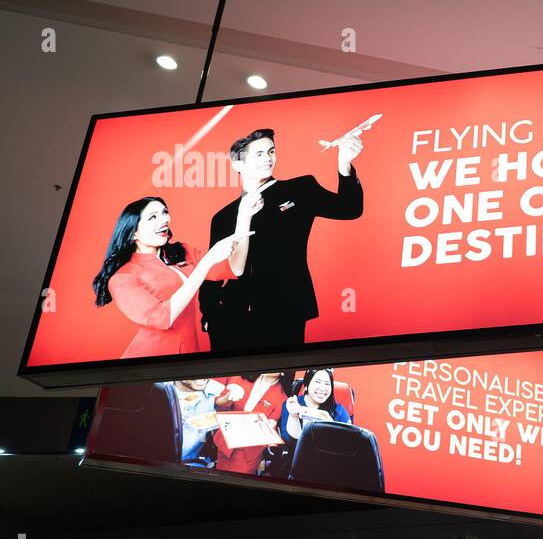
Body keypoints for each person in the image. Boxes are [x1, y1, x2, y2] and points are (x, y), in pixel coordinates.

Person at [202, 127, 363, 350]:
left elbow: (350, 209)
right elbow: (212, 272)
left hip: (286, 310)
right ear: (238, 164)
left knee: (279, 382)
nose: (268, 159)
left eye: (271, 151)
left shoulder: (300, 189)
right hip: (231, 317)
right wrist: (209, 316)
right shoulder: (223, 217)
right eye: (259, 154)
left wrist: (344, 165)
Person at [91, 197, 254, 358]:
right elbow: (163, 318)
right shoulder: (122, 278)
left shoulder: (182, 251)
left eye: (165, 212)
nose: (164, 219)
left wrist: (243, 218)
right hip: (150, 363)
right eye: (153, 217)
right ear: (134, 233)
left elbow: (235, 269)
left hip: (188, 353)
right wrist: (207, 261)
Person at [213, 372, 293, 476]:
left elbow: (270, 428)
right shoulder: (240, 378)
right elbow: (218, 403)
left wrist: (268, 426)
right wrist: (228, 397)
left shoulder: (282, 398)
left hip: (248, 452)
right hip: (226, 442)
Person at [279, 368, 352, 461]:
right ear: (306, 385)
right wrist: (294, 416)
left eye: (327, 384)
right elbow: (290, 440)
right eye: (317, 382)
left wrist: (331, 424)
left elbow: (347, 444)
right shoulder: (292, 404)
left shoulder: (339, 410)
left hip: (329, 461)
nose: (322, 388)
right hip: (297, 461)